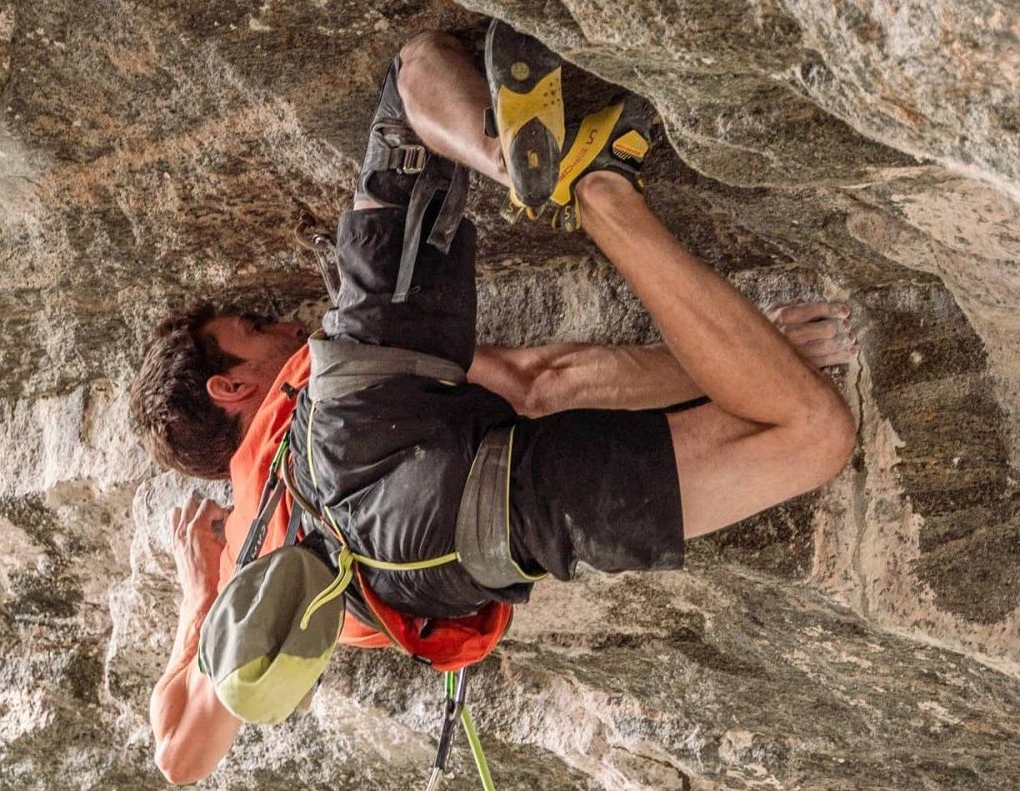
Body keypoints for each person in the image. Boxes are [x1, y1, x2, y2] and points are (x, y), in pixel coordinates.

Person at [128, 29, 857, 785]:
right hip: (346, 408)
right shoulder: (298, 377)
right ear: (230, 388)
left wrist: (201, 593)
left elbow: (176, 755)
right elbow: (540, 381)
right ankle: (526, 164)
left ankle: (601, 194)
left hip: (433, 551)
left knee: (811, 435)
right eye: (251, 332)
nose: (281, 324)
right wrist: (734, 346)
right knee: (413, 75)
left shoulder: (249, 552)